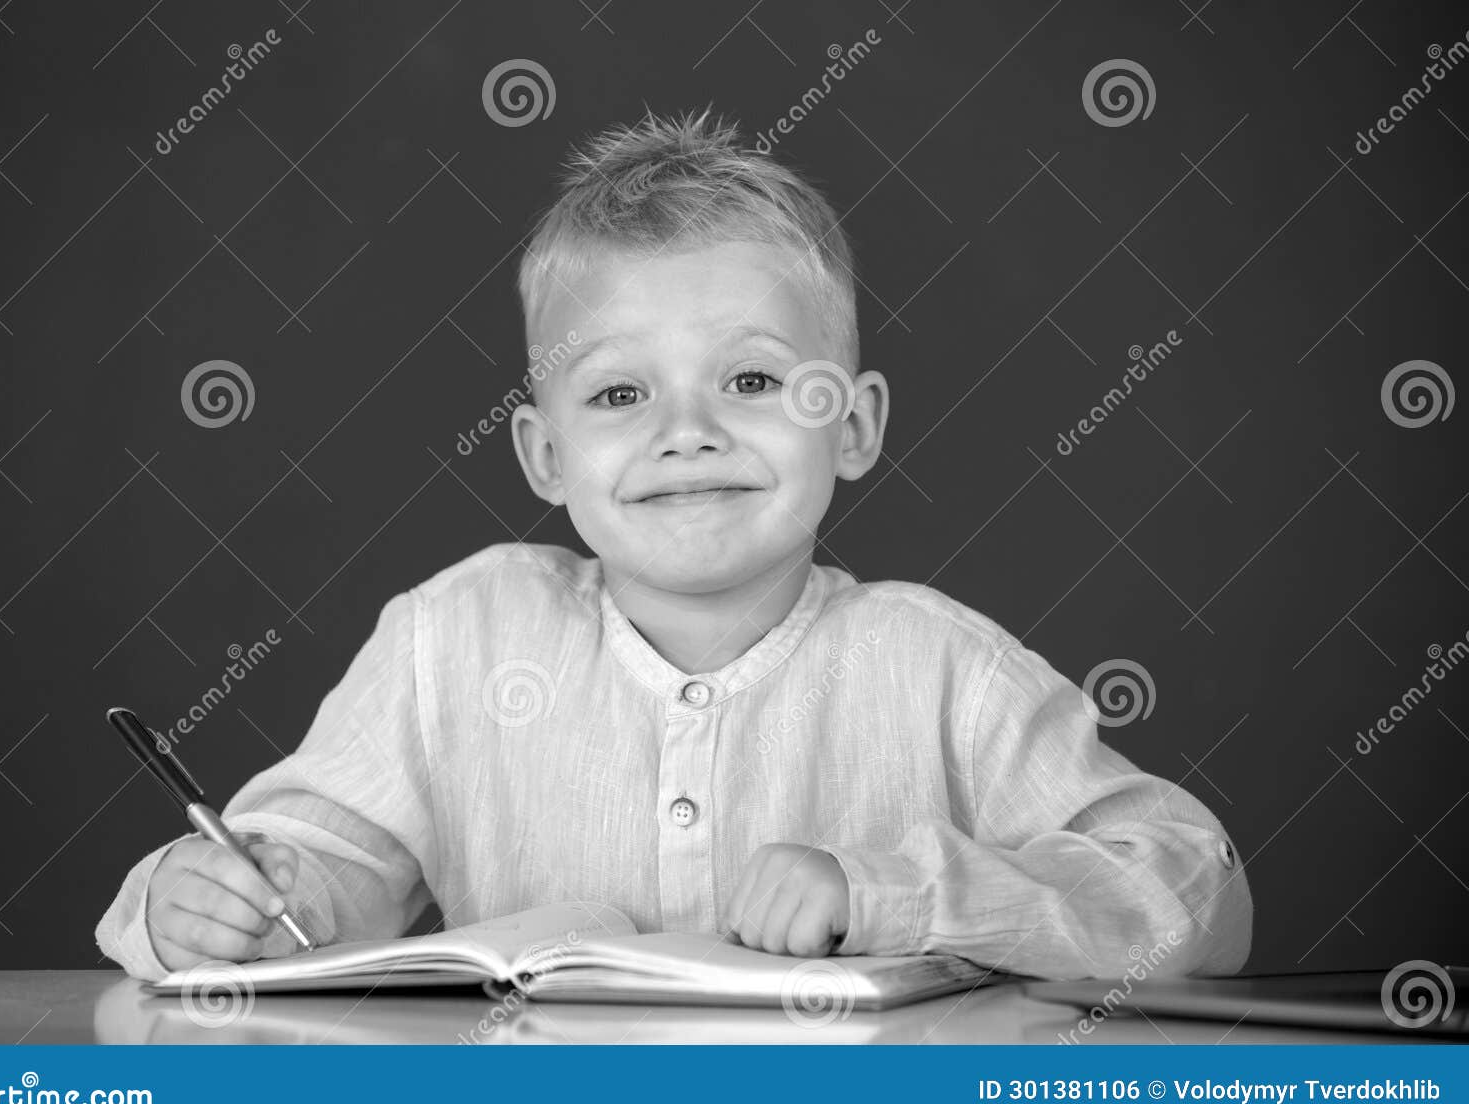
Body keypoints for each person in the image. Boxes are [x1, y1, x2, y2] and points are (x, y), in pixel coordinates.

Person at [96, 109, 1252, 983]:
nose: (686, 432)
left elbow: (1195, 888)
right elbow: (308, 862)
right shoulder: (454, 637)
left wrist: (890, 892)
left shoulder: (937, 666)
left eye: (750, 379)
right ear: (545, 455)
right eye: (618, 394)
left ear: (851, 426)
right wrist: (211, 902)